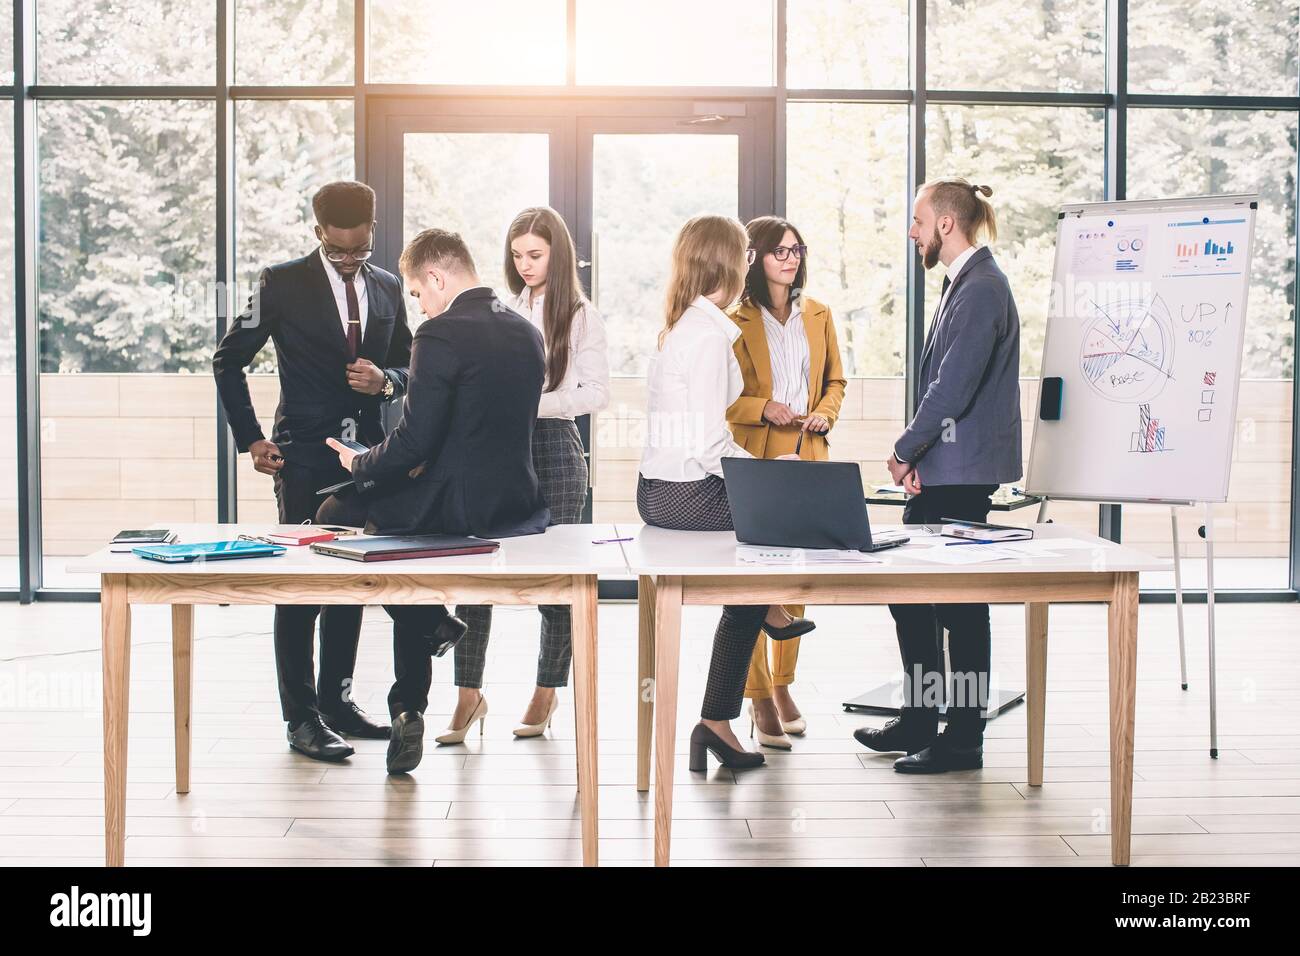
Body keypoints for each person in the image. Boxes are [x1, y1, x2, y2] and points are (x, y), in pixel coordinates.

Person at [318, 227, 550, 775]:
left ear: (437, 278)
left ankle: (431, 635)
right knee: (402, 553)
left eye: (419, 294)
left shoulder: (439, 336)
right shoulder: (525, 332)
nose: (419, 306)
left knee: (339, 514)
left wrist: (360, 462)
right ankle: (407, 701)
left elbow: (415, 441)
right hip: (516, 500)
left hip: (458, 504)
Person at [212, 181, 410, 762]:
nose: (351, 260)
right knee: (301, 586)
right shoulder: (280, 282)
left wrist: (388, 381)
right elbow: (228, 360)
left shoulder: (390, 284)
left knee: (349, 578)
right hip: (300, 456)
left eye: (360, 249)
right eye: (339, 250)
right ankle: (300, 718)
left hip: (367, 456)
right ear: (318, 232)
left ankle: (338, 701)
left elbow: (410, 359)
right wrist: (250, 438)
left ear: (372, 231)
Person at [637, 214, 816, 774]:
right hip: (685, 492)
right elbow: (712, 445)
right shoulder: (709, 338)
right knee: (782, 509)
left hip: (659, 488)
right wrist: (769, 470)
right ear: (725, 265)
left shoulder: (685, 328)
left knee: (748, 578)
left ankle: (718, 720)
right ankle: (769, 613)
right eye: (743, 256)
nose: (748, 266)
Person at [855, 178, 1022, 773]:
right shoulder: (965, 285)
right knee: (911, 597)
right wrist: (924, 459)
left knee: (961, 607)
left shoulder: (981, 288)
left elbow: (953, 386)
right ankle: (925, 717)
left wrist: (905, 449)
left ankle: (962, 738)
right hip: (947, 467)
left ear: (946, 224)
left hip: (964, 473)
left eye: (918, 221)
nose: (912, 232)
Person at [442, 207, 611, 743]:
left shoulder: (582, 315)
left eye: (535, 255)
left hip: (557, 450)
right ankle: (469, 695)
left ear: (557, 254)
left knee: (558, 581)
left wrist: (532, 404)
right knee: (477, 572)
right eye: (516, 255)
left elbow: (597, 393)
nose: (525, 265)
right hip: (497, 450)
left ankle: (547, 690)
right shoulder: (501, 308)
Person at [727, 216, 846, 750]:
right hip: (757, 455)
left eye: (796, 249)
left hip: (810, 453)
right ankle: (756, 696)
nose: (790, 258)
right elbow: (723, 396)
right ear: (753, 258)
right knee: (753, 582)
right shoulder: (732, 320)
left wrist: (824, 412)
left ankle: (783, 685)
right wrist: (763, 408)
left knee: (799, 580)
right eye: (779, 251)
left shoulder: (818, 314)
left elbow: (836, 380)